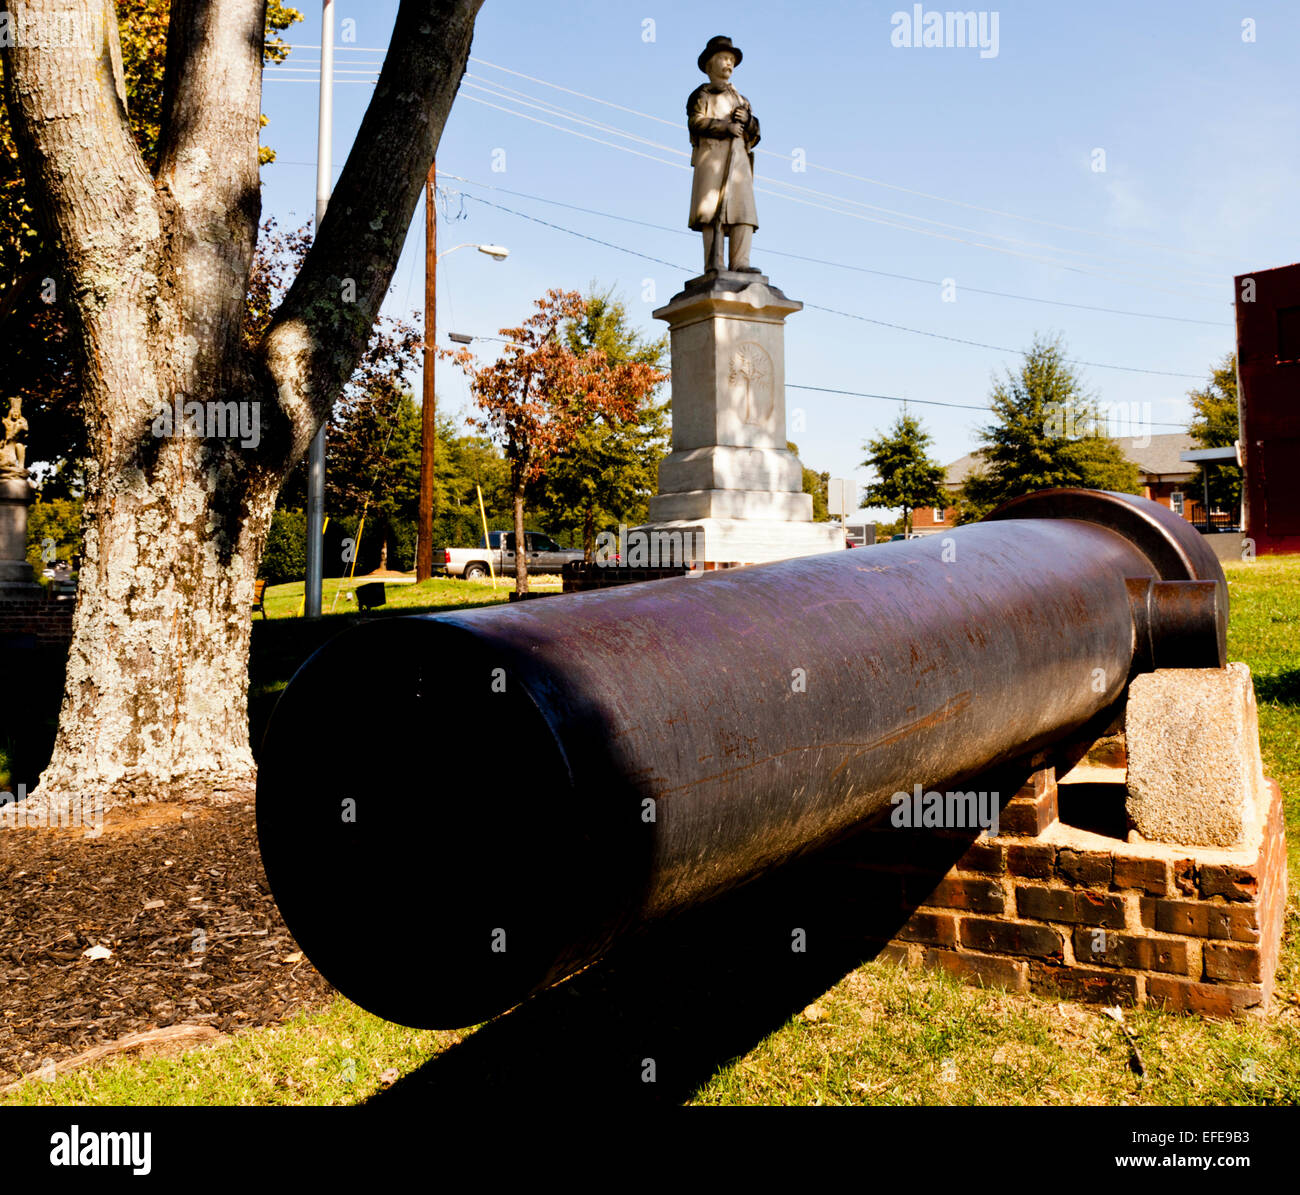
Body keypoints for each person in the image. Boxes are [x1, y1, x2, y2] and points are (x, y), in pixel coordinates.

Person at [686, 35, 761, 273]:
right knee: (711, 212)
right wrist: (725, 127)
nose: (728, 63)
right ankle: (714, 263)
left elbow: (756, 134)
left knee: (743, 211)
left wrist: (748, 121)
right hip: (712, 160)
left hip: (739, 162)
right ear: (710, 64)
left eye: (731, 59)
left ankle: (741, 263)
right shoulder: (702, 95)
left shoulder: (742, 99)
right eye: (724, 58)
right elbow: (696, 123)